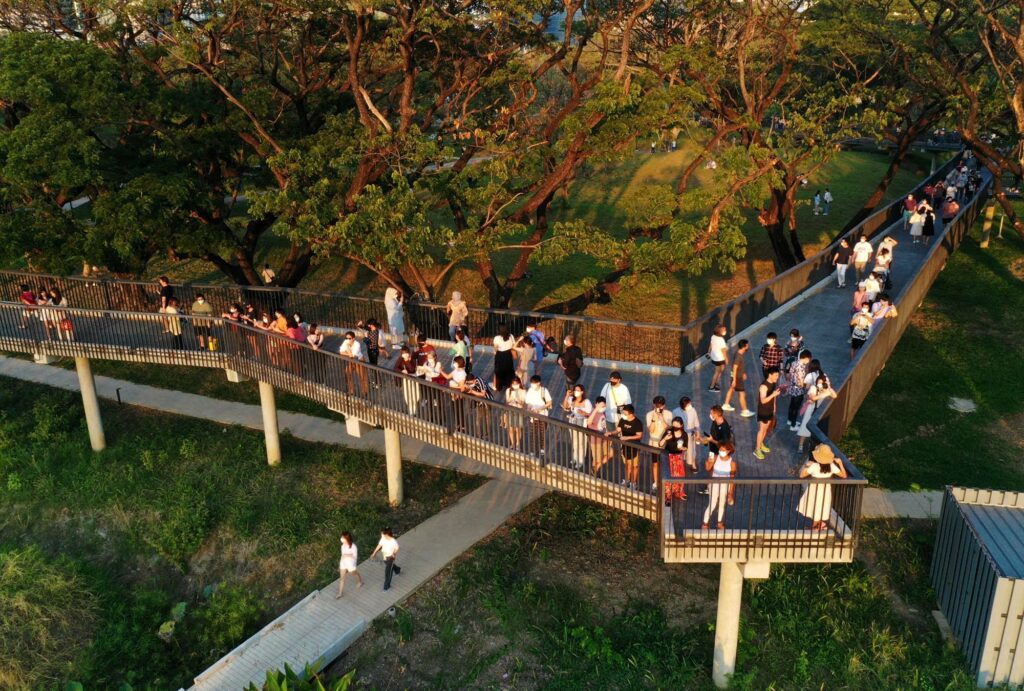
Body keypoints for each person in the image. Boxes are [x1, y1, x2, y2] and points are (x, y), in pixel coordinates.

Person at [797, 444, 848, 531]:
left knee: (814, 506)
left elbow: (802, 475)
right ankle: (818, 526)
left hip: (814, 490)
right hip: (825, 490)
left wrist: (807, 465)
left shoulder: (814, 466)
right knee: (820, 507)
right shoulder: (831, 466)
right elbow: (844, 475)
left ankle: (815, 528)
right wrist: (840, 463)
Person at [796, 372, 837, 452]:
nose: (820, 384)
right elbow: (813, 398)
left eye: (822, 382)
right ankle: (800, 446)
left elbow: (835, 396)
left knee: (816, 429)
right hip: (811, 410)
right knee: (805, 427)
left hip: (819, 411)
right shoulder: (813, 388)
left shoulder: (826, 389)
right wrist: (824, 394)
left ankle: (811, 445)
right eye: (819, 382)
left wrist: (829, 388)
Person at [702, 441, 737, 530]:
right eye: (720, 449)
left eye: (723, 450)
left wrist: (731, 493)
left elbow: (732, 479)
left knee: (722, 504)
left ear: (729, 451)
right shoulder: (715, 458)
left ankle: (719, 523)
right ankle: (705, 523)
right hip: (714, 484)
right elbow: (708, 468)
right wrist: (709, 462)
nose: (721, 451)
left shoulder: (732, 463)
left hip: (725, 486)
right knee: (712, 504)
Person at [608, 404, 643, 490]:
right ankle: (627, 480)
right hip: (624, 447)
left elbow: (639, 436)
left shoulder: (637, 422)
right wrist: (611, 433)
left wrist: (627, 438)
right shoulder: (622, 420)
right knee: (627, 464)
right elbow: (618, 429)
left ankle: (633, 483)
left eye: (625, 413)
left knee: (635, 466)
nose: (623, 415)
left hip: (634, 447)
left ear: (631, 414)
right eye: (623, 413)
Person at [645, 396, 673, 491]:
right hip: (654, 443)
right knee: (655, 464)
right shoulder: (649, 415)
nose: (659, 407)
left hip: (666, 443)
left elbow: (669, 428)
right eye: (657, 405)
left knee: (666, 464)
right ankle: (656, 482)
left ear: (664, 405)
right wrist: (654, 419)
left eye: (661, 405)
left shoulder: (669, 414)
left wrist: (662, 417)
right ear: (654, 405)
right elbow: (651, 430)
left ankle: (667, 483)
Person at [562, 384, 593, 470]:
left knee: (581, 442)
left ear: (582, 392)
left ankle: (581, 460)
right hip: (572, 422)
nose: (576, 392)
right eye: (575, 390)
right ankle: (575, 458)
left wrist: (583, 413)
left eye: (578, 390)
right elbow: (565, 406)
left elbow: (590, 414)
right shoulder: (572, 399)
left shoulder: (586, 402)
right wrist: (567, 395)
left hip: (582, 424)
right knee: (574, 441)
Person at [722, 340, 755, 417]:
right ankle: (744, 410)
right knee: (742, 393)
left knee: (732, 389)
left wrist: (742, 373)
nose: (748, 346)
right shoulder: (739, 356)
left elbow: (738, 366)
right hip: (737, 378)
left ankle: (726, 404)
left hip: (737, 376)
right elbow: (735, 367)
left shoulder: (739, 353)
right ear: (744, 346)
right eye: (747, 345)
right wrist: (734, 380)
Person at [753, 367, 781, 460]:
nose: (777, 377)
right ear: (770, 375)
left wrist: (774, 407)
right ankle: (757, 450)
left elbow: (774, 397)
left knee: (766, 429)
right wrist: (773, 395)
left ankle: (761, 444)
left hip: (769, 410)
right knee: (762, 430)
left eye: (778, 375)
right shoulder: (763, 386)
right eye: (776, 375)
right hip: (763, 411)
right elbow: (763, 400)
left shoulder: (773, 383)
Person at [660, 418, 688, 506]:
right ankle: (667, 496)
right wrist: (665, 438)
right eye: (673, 425)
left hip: (678, 457)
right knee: (668, 475)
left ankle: (678, 492)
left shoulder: (684, 434)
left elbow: (686, 447)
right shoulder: (669, 431)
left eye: (677, 425)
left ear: (681, 425)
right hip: (668, 456)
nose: (674, 427)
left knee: (680, 475)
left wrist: (682, 448)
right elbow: (660, 444)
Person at [524, 375, 553, 459]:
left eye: (534, 383)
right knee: (533, 433)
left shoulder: (544, 391)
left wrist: (540, 408)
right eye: (532, 383)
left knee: (542, 432)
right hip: (533, 416)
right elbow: (528, 402)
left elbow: (549, 402)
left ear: (538, 383)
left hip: (543, 415)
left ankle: (542, 449)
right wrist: (529, 408)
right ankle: (533, 450)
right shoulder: (530, 390)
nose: (532, 385)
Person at [785, 349, 812, 431]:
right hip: (798, 390)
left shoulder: (794, 362)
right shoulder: (801, 367)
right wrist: (806, 385)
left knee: (791, 405)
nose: (808, 361)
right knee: (796, 408)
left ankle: (789, 421)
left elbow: (789, 375)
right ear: (806, 358)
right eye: (809, 359)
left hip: (792, 388)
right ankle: (793, 425)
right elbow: (800, 383)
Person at [369, 527, 401, 592]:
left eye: (382, 534)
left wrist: (394, 554)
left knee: (388, 572)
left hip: (390, 557)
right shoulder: (383, 539)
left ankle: (387, 586)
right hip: (384, 557)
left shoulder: (393, 541)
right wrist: (374, 553)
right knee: (390, 566)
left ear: (386, 534)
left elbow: (397, 548)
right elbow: (379, 545)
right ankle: (397, 570)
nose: (381, 535)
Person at [587, 397, 612, 476]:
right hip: (596, 441)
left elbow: (603, 425)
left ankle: (596, 468)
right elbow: (589, 422)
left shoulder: (602, 413)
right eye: (601, 406)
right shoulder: (593, 413)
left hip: (604, 439)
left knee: (610, 453)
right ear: (596, 404)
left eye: (604, 406)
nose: (602, 408)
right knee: (596, 459)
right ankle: (594, 472)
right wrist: (596, 408)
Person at [394, 346, 420, 415]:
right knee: (407, 395)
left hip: (413, 379)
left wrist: (407, 361)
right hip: (405, 379)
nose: (404, 355)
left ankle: (415, 411)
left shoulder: (412, 359)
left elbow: (412, 369)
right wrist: (402, 370)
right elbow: (395, 368)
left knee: (415, 395)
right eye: (403, 353)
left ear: (409, 353)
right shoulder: (400, 359)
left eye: (406, 353)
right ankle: (410, 411)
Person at [336, 532, 364, 598]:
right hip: (343, 563)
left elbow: (355, 557)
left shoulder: (353, 546)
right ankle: (340, 593)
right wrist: (340, 565)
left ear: (346, 538)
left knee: (355, 574)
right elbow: (342, 555)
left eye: (342, 537)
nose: (341, 539)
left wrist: (347, 555)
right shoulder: (342, 546)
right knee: (342, 578)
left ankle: (360, 582)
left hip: (351, 563)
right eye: (341, 537)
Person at [504, 376, 527, 451]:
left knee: (518, 429)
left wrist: (518, 399)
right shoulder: (508, 390)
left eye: (516, 384)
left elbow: (524, 403)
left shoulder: (523, 391)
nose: (515, 385)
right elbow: (507, 401)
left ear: (519, 383)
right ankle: (512, 443)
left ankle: (517, 444)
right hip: (510, 410)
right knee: (510, 428)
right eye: (513, 384)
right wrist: (511, 398)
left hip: (519, 411)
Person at [492, 323, 517, 391]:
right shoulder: (511, 336)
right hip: (508, 354)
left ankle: (498, 386)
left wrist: (494, 352)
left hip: (500, 355)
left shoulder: (497, 338)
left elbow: (495, 349)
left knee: (499, 370)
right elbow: (513, 345)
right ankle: (509, 384)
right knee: (509, 369)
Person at [707, 324, 729, 391]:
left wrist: (709, 352)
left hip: (714, 357)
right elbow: (723, 350)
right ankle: (712, 387)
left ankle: (715, 382)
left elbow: (711, 344)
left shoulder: (713, 336)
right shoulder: (721, 340)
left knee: (720, 370)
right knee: (717, 372)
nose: (725, 331)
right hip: (719, 358)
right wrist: (726, 358)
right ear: (719, 331)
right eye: (724, 330)